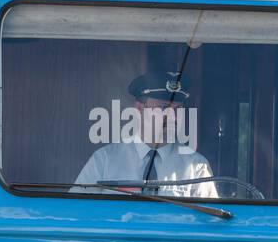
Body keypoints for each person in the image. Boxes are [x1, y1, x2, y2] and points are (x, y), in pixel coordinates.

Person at [71, 71, 219, 199]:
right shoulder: (105, 160)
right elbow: (76, 211)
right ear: (139, 109)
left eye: (178, 109)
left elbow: (209, 223)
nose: (172, 116)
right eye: (163, 108)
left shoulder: (196, 167)